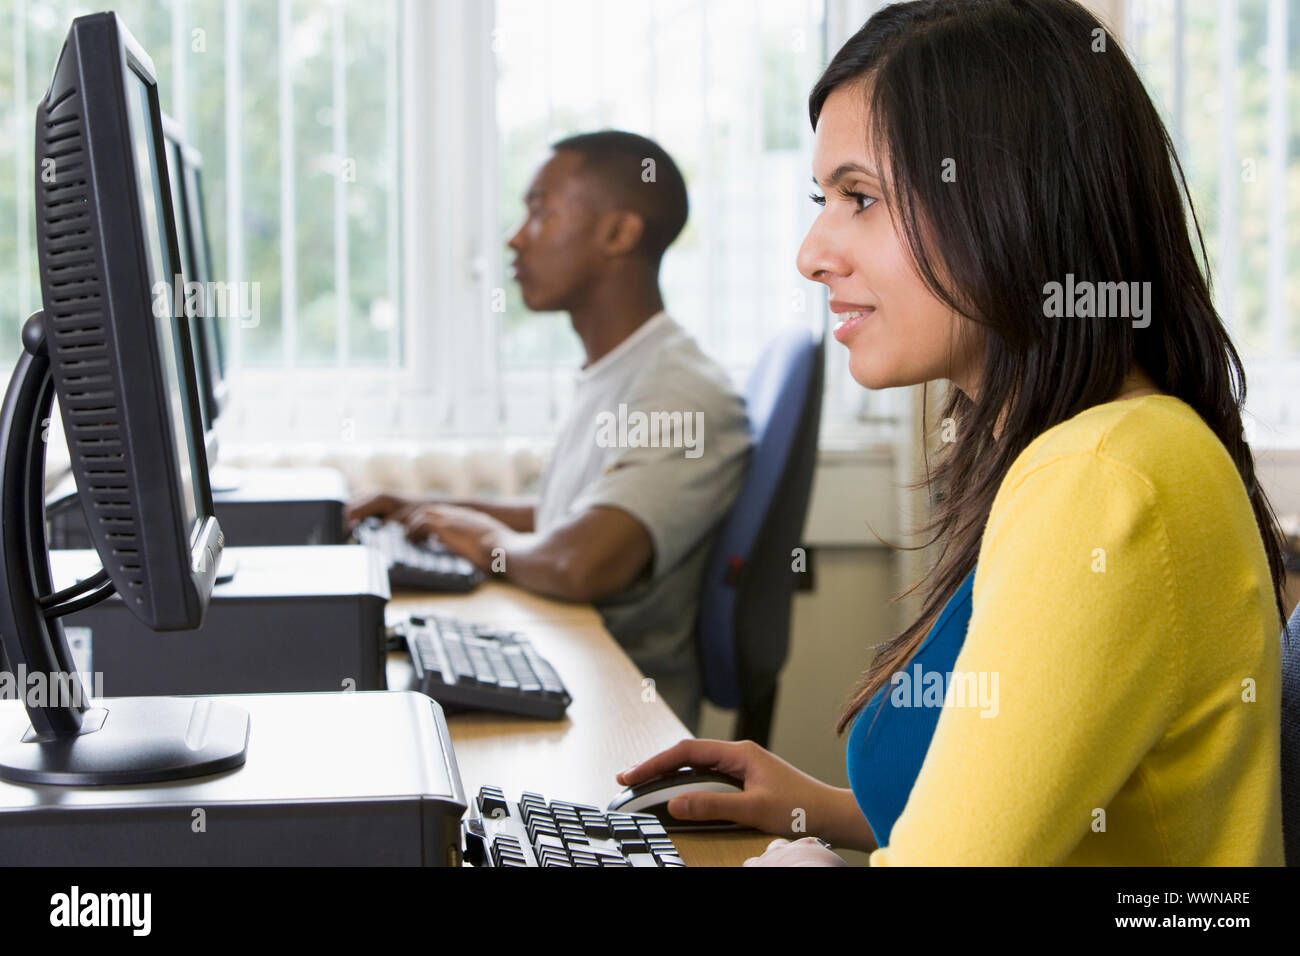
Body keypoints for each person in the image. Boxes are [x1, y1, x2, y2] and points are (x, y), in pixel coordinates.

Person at [620, 0, 1287, 865]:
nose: (813, 250)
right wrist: (822, 810)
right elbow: (1045, 795)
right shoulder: (1085, 448)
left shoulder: (1103, 481)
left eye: (860, 196)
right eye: (824, 198)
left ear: (1012, 200)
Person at [348, 131, 751, 731]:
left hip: (614, 717)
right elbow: (568, 516)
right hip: (569, 675)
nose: (515, 237)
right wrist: (424, 510)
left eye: (539, 211)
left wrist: (485, 542)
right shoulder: (620, 369)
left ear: (619, 233)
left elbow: (578, 562)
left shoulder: (679, 392)